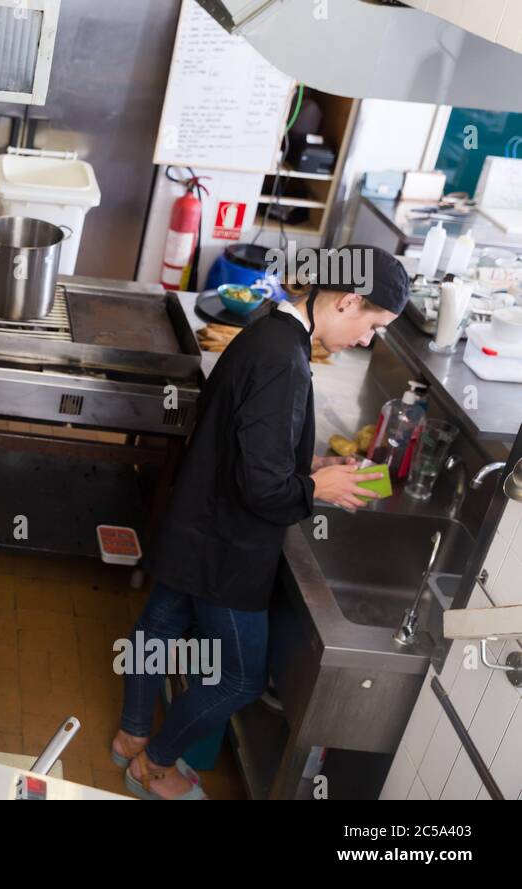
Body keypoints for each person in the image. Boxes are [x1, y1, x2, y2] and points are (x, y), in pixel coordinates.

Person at [115, 245, 409, 799]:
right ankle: (154, 763)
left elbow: (249, 443)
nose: (369, 341)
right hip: (228, 544)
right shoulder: (286, 363)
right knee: (241, 679)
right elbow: (264, 489)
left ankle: (131, 735)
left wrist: (313, 465)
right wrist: (316, 487)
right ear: (349, 300)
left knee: (158, 627)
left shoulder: (270, 329)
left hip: (196, 519)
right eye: (374, 327)